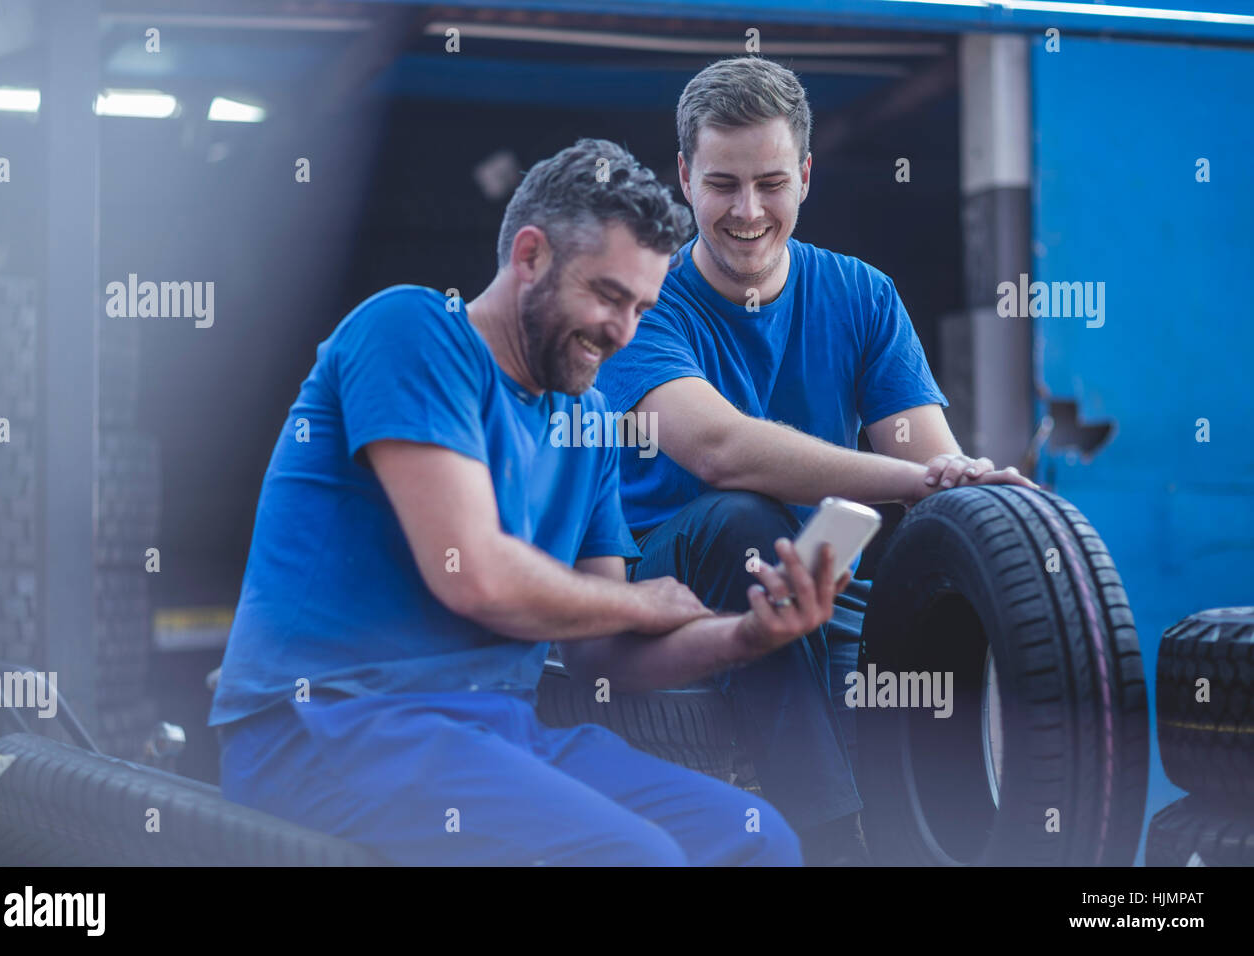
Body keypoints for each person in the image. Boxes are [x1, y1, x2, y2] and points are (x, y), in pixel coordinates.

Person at [208, 139, 849, 866]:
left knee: (756, 836)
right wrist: (648, 602)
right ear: (531, 255)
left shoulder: (593, 424)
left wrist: (749, 636)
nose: (624, 332)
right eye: (608, 296)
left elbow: (602, 657)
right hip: (327, 729)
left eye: (642, 306)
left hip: (502, 733)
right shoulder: (411, 332)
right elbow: (472, 573)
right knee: (634, 857)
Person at [595, 57, 1039, 864]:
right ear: (685, 178)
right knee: (744, 517)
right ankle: (831, 841)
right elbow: (717, 450)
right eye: (722, 184)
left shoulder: (861, 295)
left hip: (828, 596)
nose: (748, 210)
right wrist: (914, 480)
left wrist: (967, 487)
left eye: (770, 182)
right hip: (677, 585)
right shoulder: (645, 299)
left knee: (952, 546)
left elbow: (930, 468)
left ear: (804, 175)